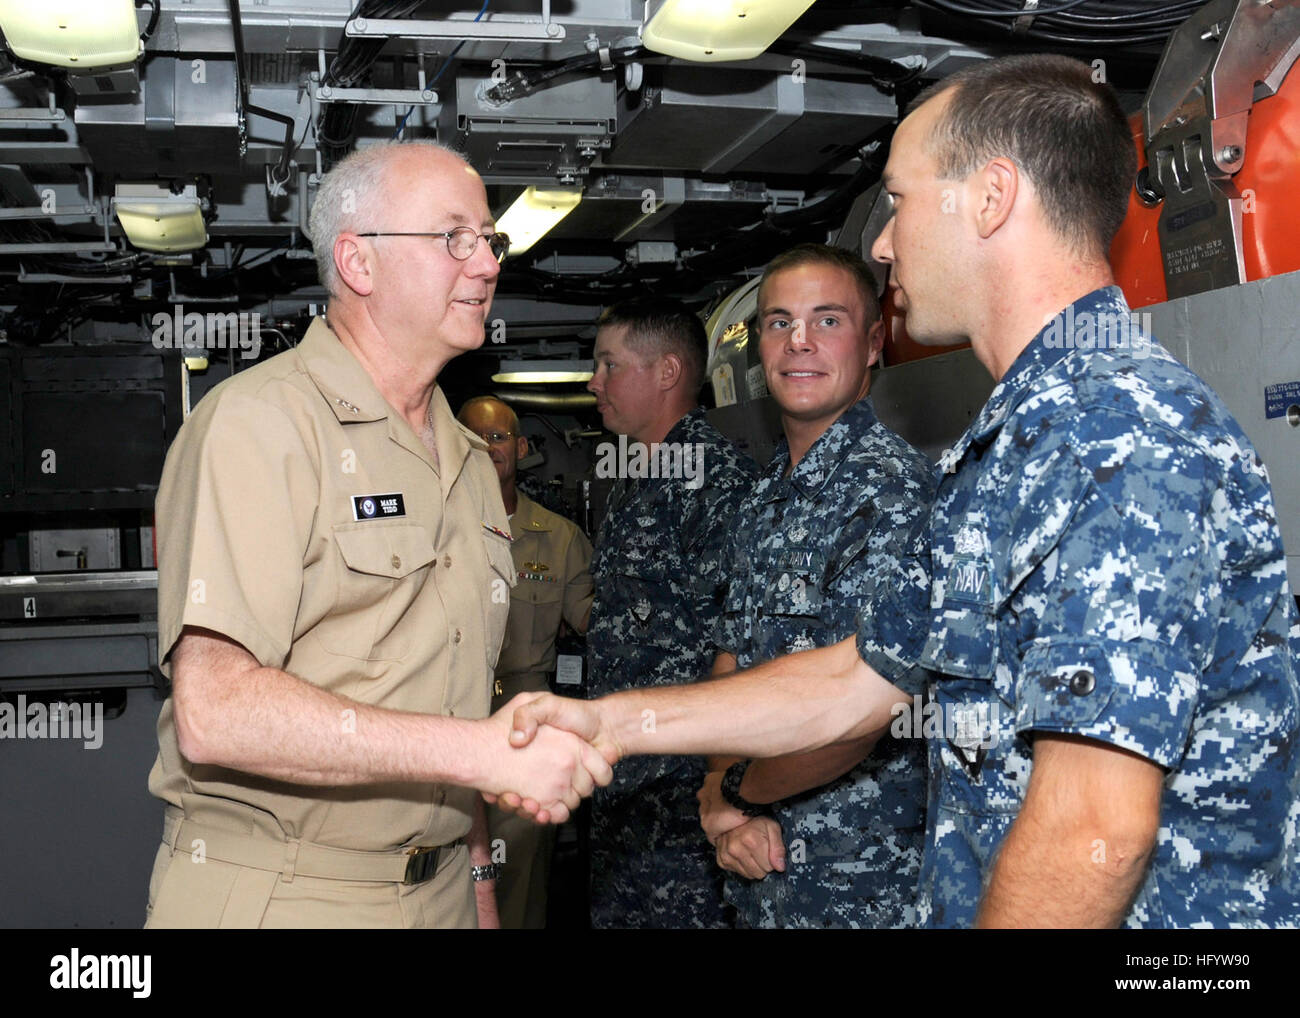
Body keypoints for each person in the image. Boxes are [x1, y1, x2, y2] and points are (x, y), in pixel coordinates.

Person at [502, 54, 1300, 928]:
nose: (883, 243)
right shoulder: (1013, 445)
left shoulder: (1112, 431)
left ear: (990, 199)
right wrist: (614, 724)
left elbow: (1093, 832)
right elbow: (857, 679)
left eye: (902, 200)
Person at [143, 140, 610, 930]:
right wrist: (480, 755)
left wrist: (479, 881)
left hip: (439, 891)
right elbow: (214, 709)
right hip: (289, 891)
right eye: (454, 237)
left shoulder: (465, 458)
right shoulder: (261, 424)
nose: (488, 264)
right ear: (358, 264)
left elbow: (448, 697)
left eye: (490, 240)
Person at [701, 243, 934, 928]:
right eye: (778, 323)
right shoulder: (763, 496)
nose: (798, 342)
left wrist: (734, 794)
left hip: (861, 888)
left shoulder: (892, 494)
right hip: (757, 875)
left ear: (873, 344)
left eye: (827, 321)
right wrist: (719, 804)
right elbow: (731, 665)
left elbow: (856, 715)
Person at [582, 296, 759, 928]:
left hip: (684, 806)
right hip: (626, 789)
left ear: (667, 372)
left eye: (609, 365)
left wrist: (722, 788)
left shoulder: (715, 482)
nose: (593, 382)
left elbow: (738, 646)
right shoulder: (637, 475)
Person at [457, 395, 595, 928]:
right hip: (442, 720)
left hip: (523, 731)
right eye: (474, 437)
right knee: (439, 881)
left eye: (498, 437)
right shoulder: (431, 531)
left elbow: (598, 629)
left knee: (515, 885)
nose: (488, 447)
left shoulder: (559, 540)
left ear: (519, 447)